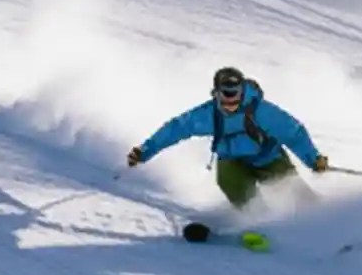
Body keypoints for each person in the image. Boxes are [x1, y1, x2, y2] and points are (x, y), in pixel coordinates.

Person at [127, 67, 328, 209]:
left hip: (267, 157)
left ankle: (321, 218)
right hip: (231, 161)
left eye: (236, 93)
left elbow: (293, 133)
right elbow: (175, 129)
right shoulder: (208, 114)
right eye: (226, 93)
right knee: (229, 181)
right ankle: (258, 220)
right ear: (216, 93)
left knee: (290, 190)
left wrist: (313, 159)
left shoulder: (260, 111)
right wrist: (144, 151)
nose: (231, 99)